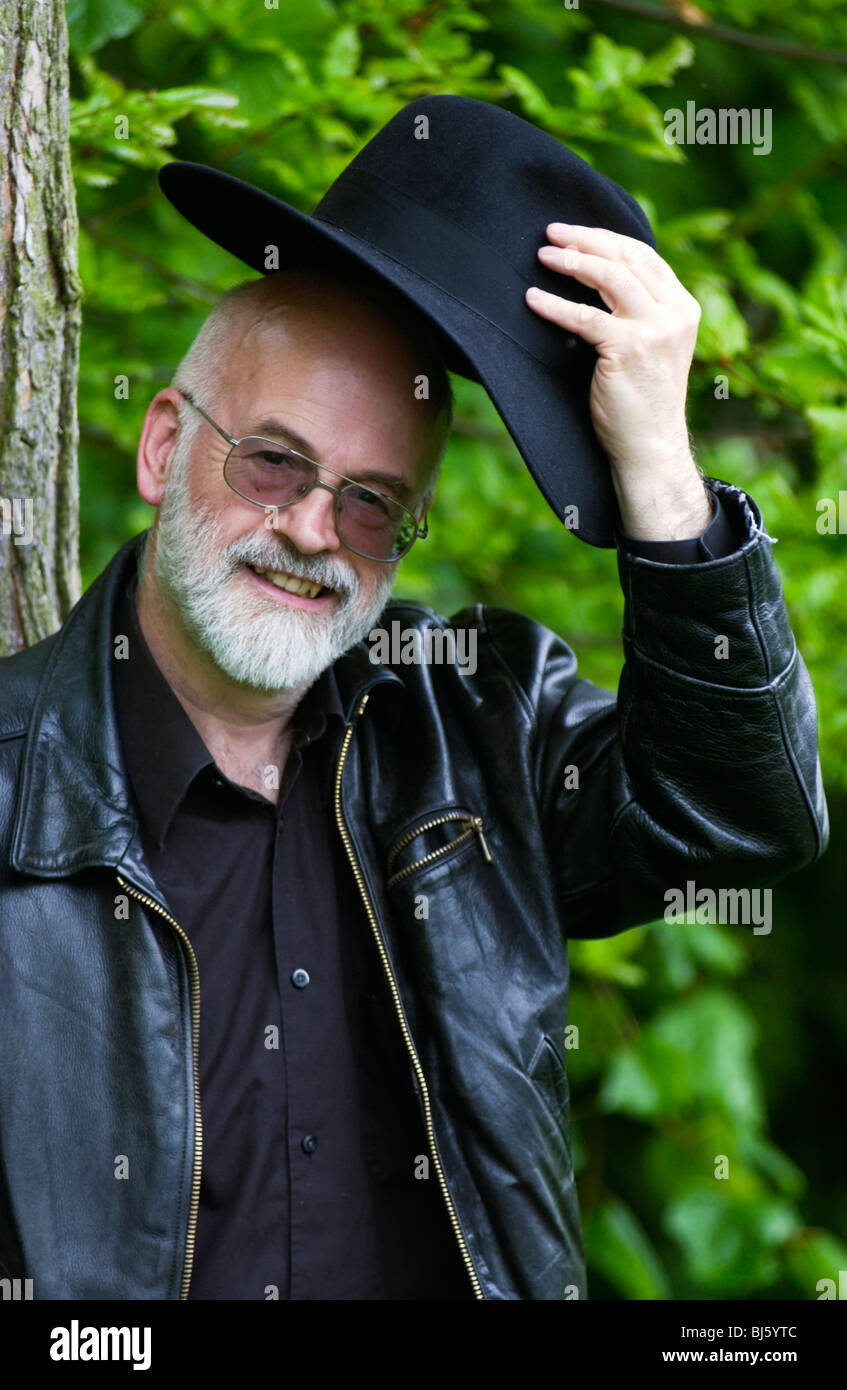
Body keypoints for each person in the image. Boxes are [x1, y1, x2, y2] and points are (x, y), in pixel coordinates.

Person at [0, 101, 828, 1302]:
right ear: (163, 441)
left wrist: (659, 471)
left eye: (374, 502)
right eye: (274, 461)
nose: (310, 532)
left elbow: (740, 815)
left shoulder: (480, 728)